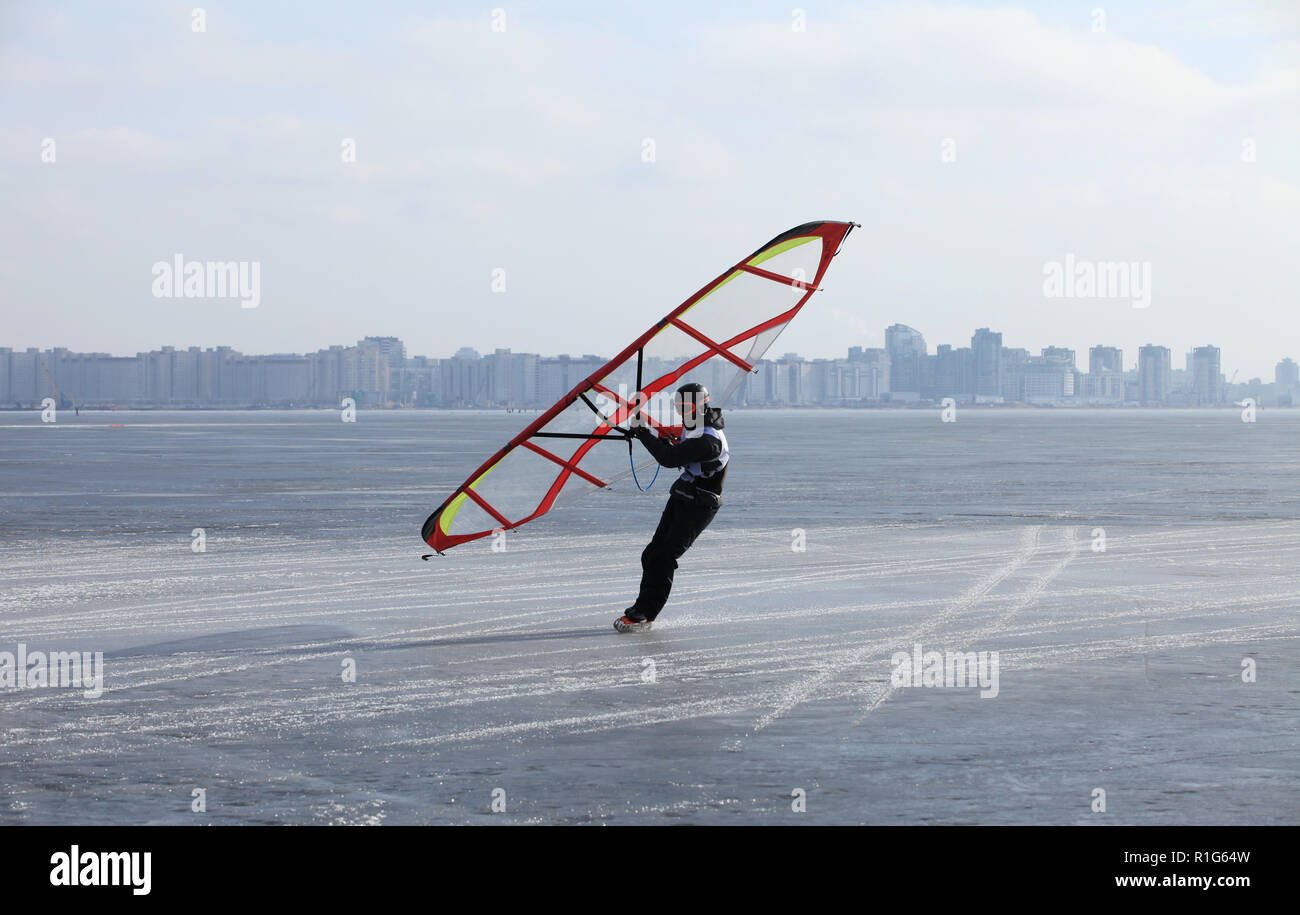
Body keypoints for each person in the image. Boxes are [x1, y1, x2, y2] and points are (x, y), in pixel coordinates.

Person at [614, 383, 729, 632]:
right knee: (651, 554)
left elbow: (669, 459)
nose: (681, 412)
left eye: (685, 407)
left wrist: (642, 433)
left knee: (663, 557)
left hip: (700, 505)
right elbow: (674, 447)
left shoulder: (708, 440)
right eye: (678, 407)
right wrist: (643, 430)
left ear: (702, 405)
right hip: (682, 496)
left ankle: (644, 614)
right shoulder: (694, 427)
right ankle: (642, 609)